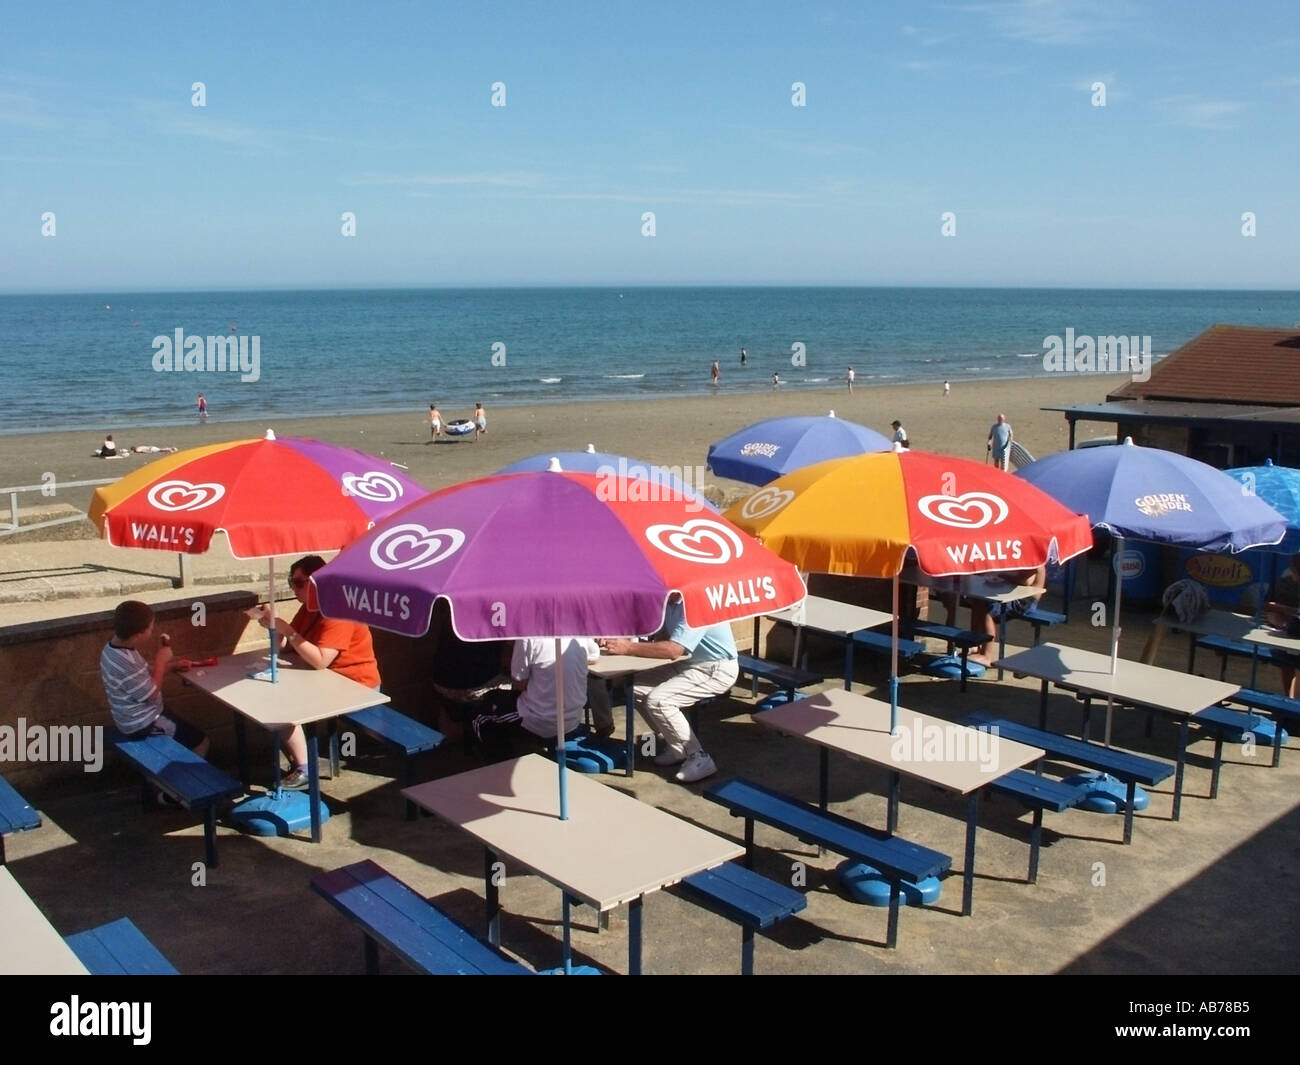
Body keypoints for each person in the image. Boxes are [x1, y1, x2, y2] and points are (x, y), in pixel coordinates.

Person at [253, 554, 382, 789]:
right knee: (270, 696)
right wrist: (275, 628)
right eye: (292, 582)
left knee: (280, 704)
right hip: (327, 680)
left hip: (356, 686)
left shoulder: (339, 611)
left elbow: (321, 660)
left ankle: (304, 769)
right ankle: (300, 761)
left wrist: (288, 630)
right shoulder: (310, 608)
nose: (294, 588)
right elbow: (286, 650)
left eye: (299, 583)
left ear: (317, 582)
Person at [597, 594, 738, 784]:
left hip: (716, 668)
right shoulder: (670, 604)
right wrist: (620, 639)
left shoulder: (696, 603)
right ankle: (676, 746)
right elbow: (661, 638)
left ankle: (699, 758)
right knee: (635, 688)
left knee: (659, 700)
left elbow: (673, 650)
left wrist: (628, 648)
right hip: (690, 663)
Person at [100, 601, 208, 804]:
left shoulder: (114, 648)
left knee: (179, 726)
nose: (152, 630)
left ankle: (164, 783)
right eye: (150, 627)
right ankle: (175, 792)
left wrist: (172, 666)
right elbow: (150, 692)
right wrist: (162, 660)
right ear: (139, 634)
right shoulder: (125, 660)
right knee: (201, 742)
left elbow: (140, 674)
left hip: (132, 716)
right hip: (142, 723)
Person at [470, 636, 601, 758]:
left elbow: (518, 684)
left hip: (540, 721)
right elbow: (595, 656)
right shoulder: (579, 632)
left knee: (479, 716)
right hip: (573, 719)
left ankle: (500, 766)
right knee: (500, 699)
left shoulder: (528, 637)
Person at [966, 566, 1046, 666]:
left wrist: (1004, 576)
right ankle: (975, 643)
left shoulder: (1036, 562)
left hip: (1024, 602)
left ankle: (986, 655)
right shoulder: (1029, 558)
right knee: (977, 602)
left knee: (987, 609)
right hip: (1018, 595)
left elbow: (1026, 581)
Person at [1263, 552, 1300, 697]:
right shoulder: (1286, 580)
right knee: (1282, 653)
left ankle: (1289, 705)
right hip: (1291, 639)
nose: (1292, 576)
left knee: (1282, 654)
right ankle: (1288, 701)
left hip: (1293, 638)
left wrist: (1282, 621)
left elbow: (1296, 628)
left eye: (1294, 572)